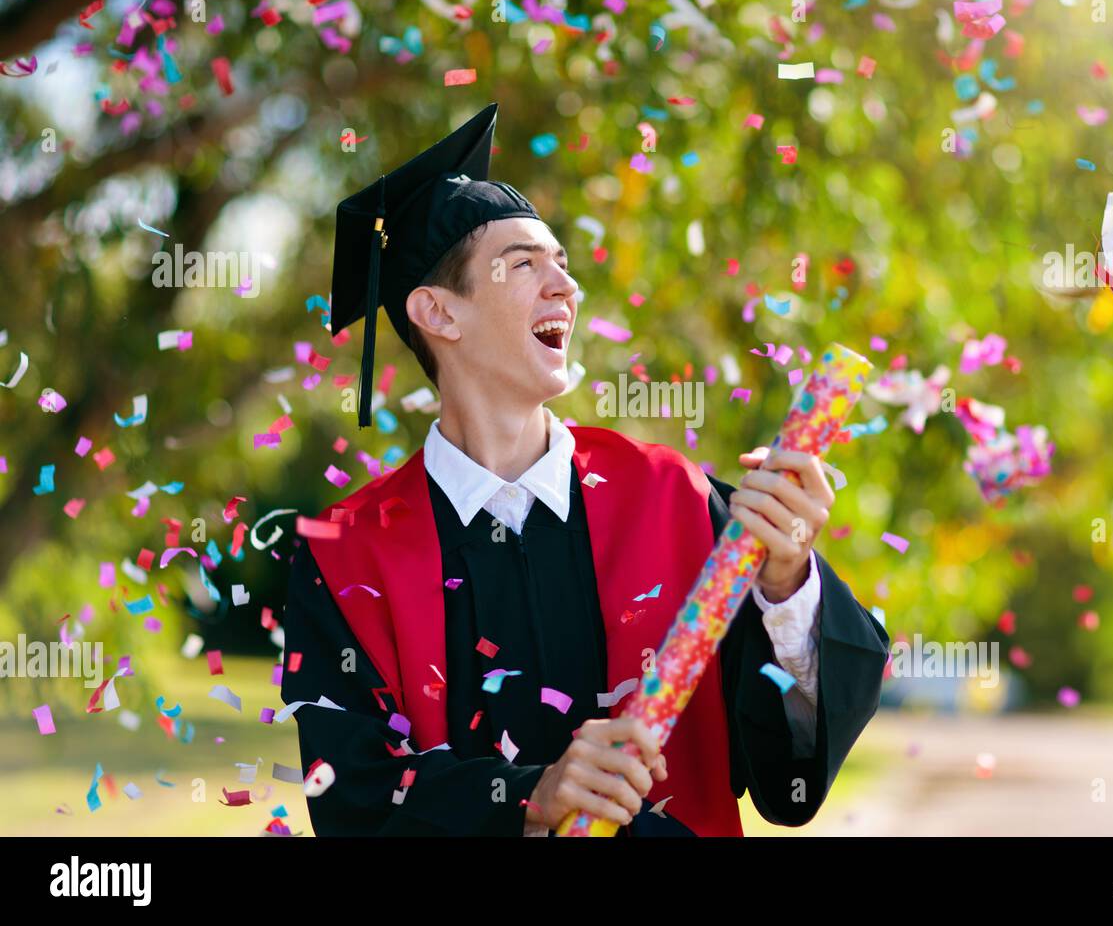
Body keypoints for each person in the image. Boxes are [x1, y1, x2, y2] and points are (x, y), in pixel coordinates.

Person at [280, 103, 890, 836]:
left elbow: (786, 772)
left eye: (563, 264)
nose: (565, 287)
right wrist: (531, 795)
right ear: (438, 313)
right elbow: (354, 796)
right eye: (525, 264)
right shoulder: (346, 552)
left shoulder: (675, 498)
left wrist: (786, 583)